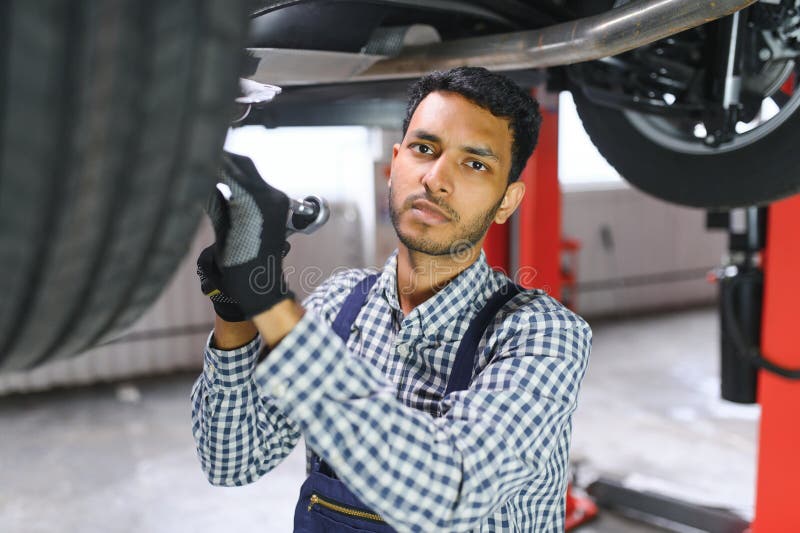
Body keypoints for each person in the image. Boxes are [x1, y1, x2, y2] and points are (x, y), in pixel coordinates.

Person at [191, 66, 592, 532]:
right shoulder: (340, 304)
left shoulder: (543, 334)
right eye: (425, 149)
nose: (436, 179)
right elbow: (232, 461)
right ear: (395, 162)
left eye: (475, 163)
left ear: (507, 201)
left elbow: (449, 495)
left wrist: (270, 304)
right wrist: (236, 305)